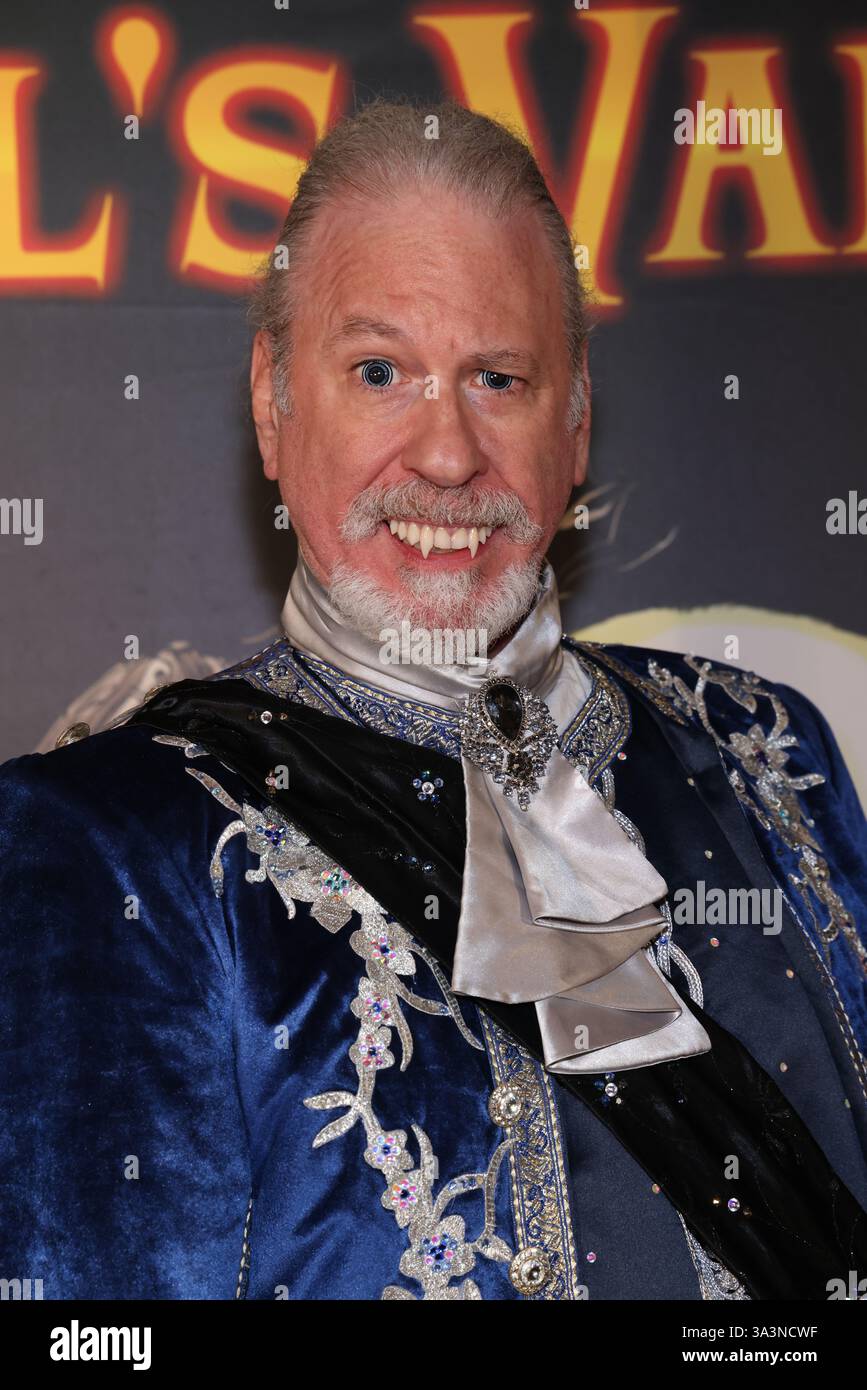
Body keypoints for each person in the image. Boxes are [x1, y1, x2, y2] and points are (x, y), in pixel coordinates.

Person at [1, 98, 866, 1303]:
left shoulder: (774, 754)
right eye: (378, 371)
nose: (448, 456)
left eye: (499, 378)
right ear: (272, 401)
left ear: (574, 422)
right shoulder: (111, 840)